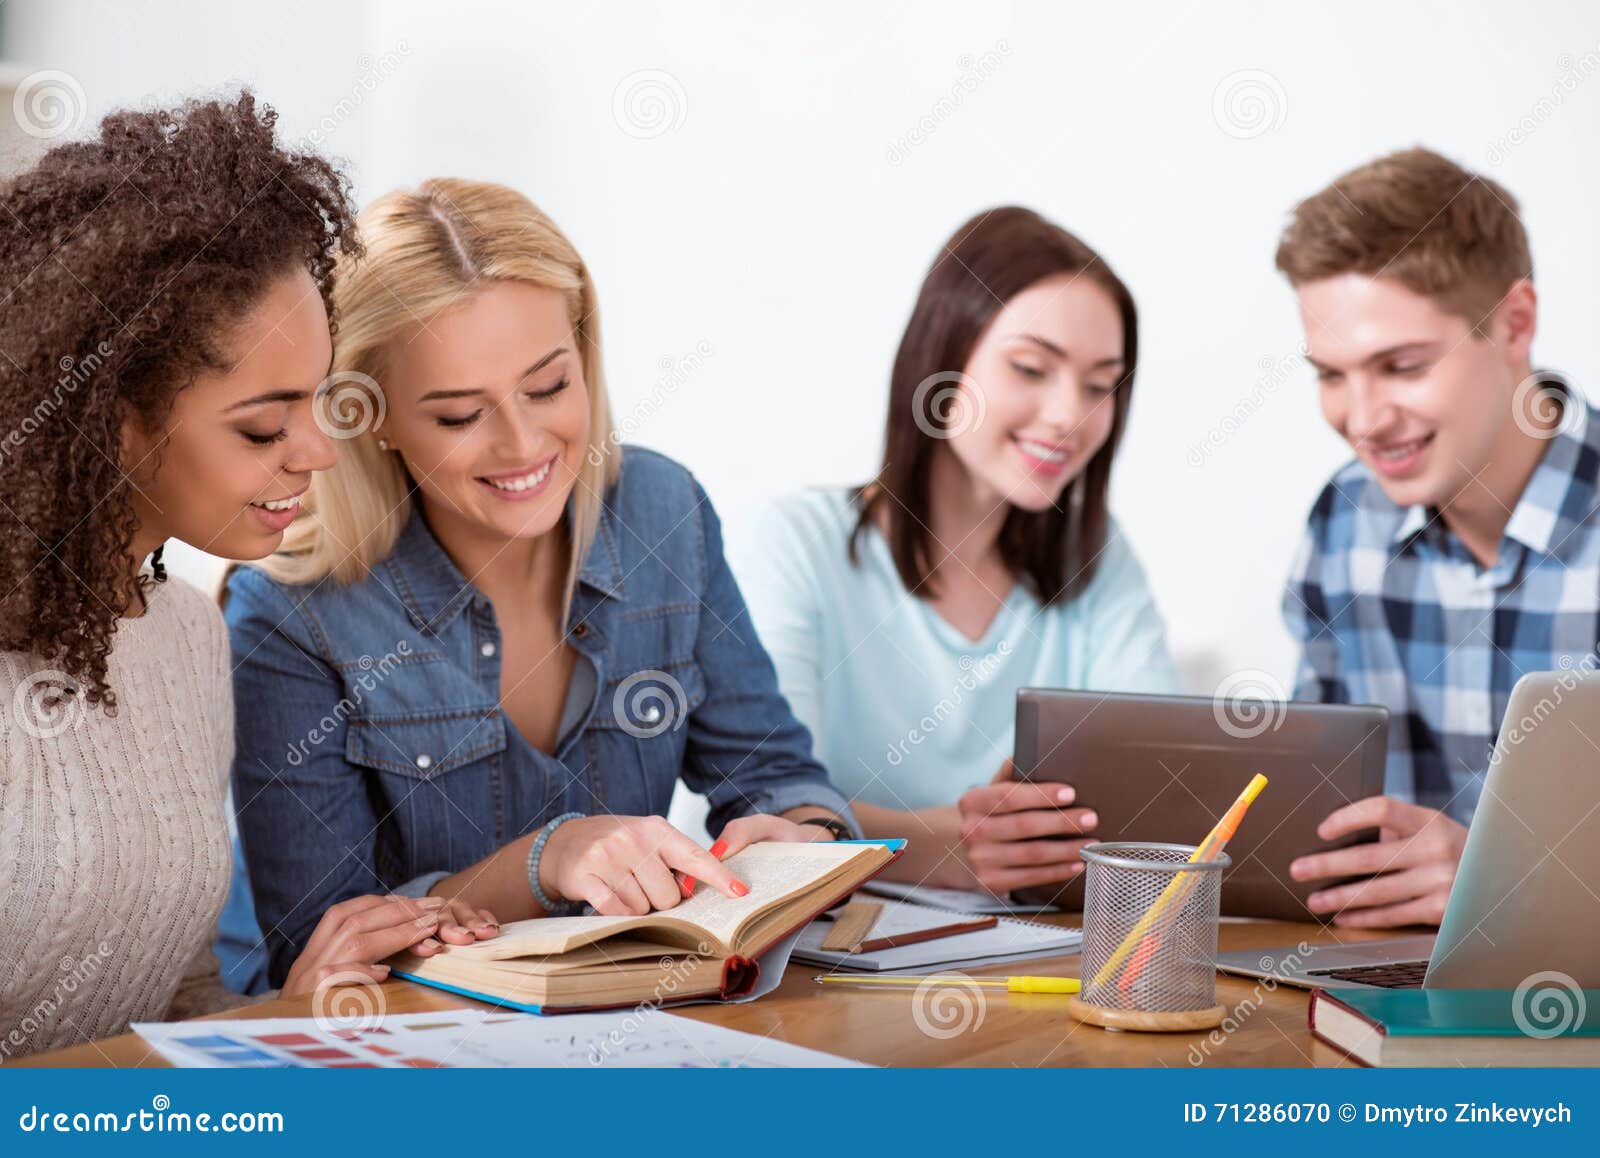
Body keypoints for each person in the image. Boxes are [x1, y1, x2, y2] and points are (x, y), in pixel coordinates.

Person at [224, 179, 859, 986]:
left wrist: (799, 834)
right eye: (460, 415)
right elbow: (319, 943)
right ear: (366, 415)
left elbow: (775, 774)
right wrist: (547, 857)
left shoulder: (663, 513)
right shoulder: (290, 609)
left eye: (549, 386)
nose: (524, 444)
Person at [0, 94, 472, 1059]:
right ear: (112, 416)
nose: (319, 453)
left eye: (322, 401)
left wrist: (295, 1011)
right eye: (264, 425)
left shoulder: (184, 634)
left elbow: (166, 1001)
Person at [726, 207, 1179, 895]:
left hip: (1035, 967)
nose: (1069, 415)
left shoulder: (1099, 559)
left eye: (1099, 385)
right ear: (942, 359)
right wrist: (956, 846)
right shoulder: (792, 544)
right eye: (1032, 368)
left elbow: (1162, 797)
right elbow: (769, 809)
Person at [1277, 147, 1596, 927]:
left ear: (1514, 322)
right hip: (1388, 980)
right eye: (1331, 375)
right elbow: (1316, 813)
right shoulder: (1346, 520)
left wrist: (1510, 882)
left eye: (1403, 365)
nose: (1363, 419)